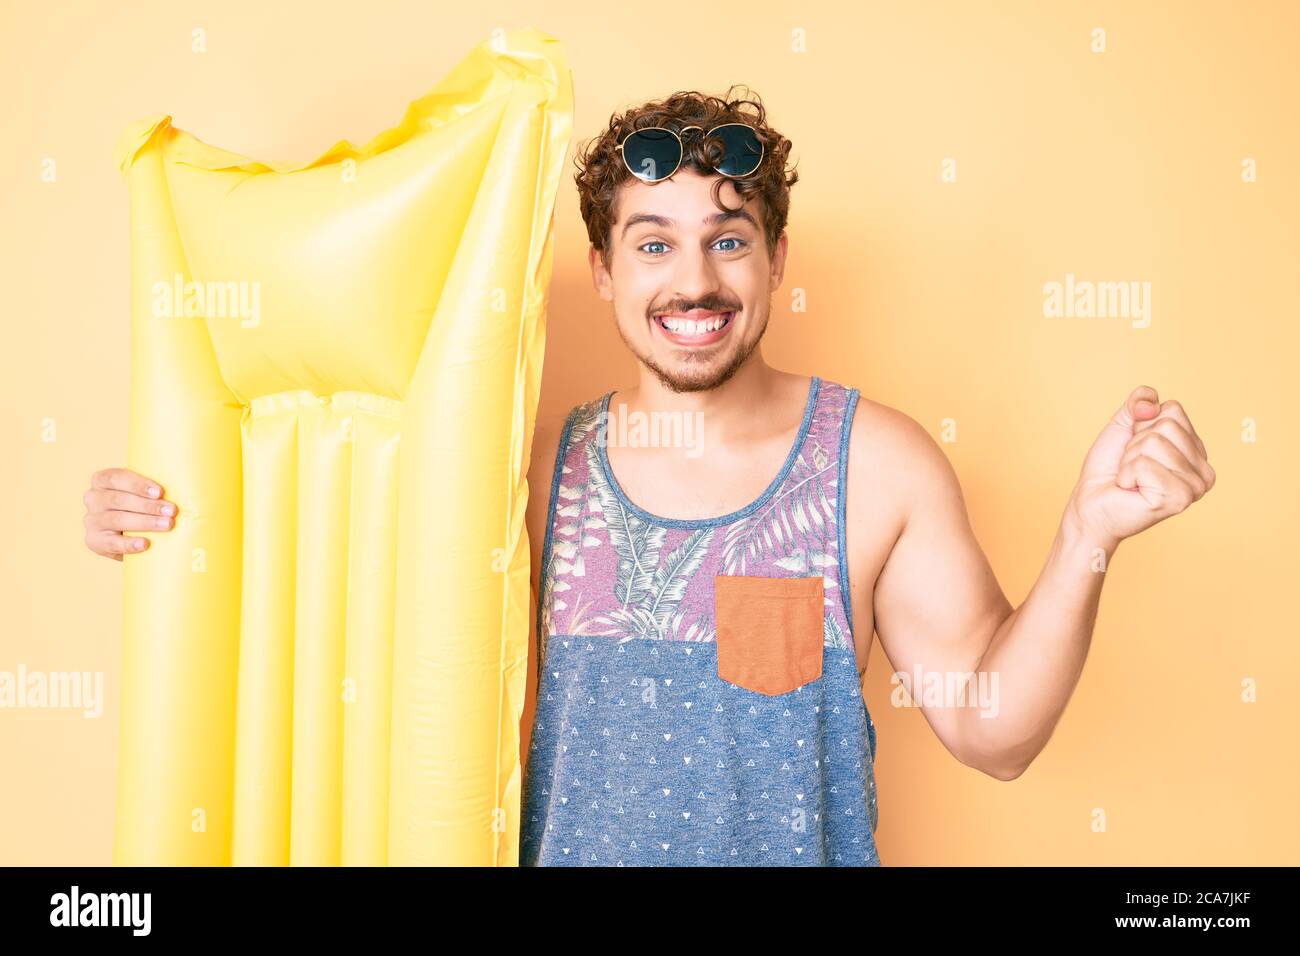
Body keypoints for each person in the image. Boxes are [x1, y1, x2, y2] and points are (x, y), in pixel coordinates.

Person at [82, 87, 1215, 866]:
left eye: (728, 236)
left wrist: (1083, 538)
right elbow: (323, 612)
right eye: (654, 241)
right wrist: (172, 519)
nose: (695, 277)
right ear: (602, 271)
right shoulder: (516, 472)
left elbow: (994, 732)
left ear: (775, 257)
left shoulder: (875, 464)